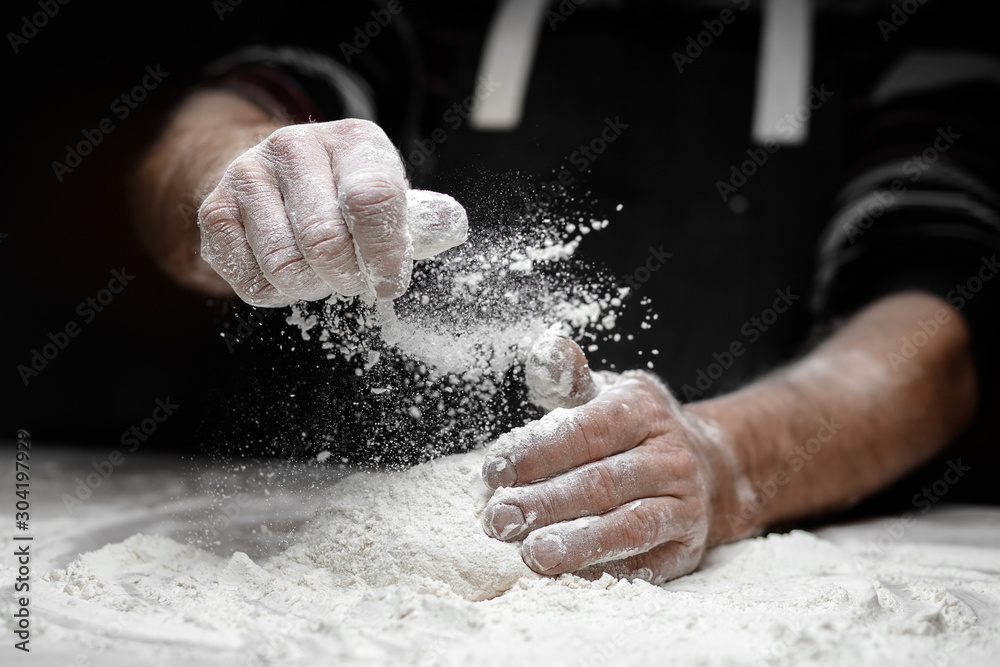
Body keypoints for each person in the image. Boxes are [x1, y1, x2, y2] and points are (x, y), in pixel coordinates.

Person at [124, 0, 999, 583]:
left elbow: (937, 319)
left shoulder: (896, 25)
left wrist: (725, 460)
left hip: (764, 546)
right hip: (373, 551)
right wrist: (248, 181)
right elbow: (217, 124)